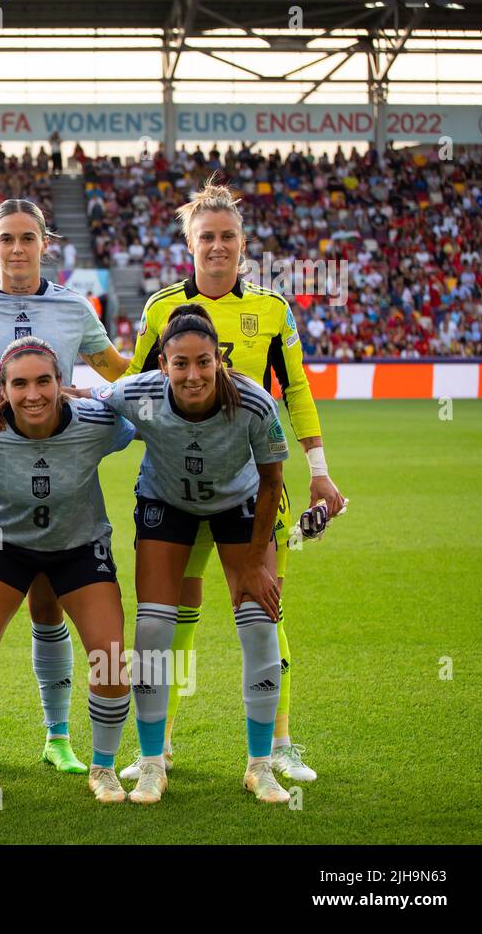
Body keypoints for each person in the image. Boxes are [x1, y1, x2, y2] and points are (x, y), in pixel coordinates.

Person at [119, 175, 346, 783]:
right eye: (206, 238)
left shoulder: (272, 309)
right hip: (175, 486)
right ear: (189, 245)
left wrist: (319, 473)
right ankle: (160, 739)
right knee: (174, 608)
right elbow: (136, 385)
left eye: (227, 237)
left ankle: (279, 743)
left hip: (252, 483)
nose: (217, 247)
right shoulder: (161, 308)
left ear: (243, 245)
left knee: (263, 603)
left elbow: (295, 387)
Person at [0, 198, 129, 777]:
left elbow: (115, 368)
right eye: (7, 239)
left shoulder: (74, 307)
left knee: (49, 609)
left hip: (57, 461)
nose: (18, 248)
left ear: (45, 243)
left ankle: (58, 735)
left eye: (29, 238)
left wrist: (171, 378)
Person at [87, 305, 291, 803]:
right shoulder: (140, 393)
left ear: (218, 359)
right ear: (163, 361)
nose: (193, 374)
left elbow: (272, 482)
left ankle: (260, 766)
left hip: (238, 504)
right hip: (165, 502)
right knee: (154, 628)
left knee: (261, 623)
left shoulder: (253, 404)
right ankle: (154, 762)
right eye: (181, 363)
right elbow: (90, 396)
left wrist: (253, 561)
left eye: (203, 362)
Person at [0, 337, 135, 804]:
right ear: (1, 390)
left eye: (44, 380)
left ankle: (104, 768)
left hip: (79, 546)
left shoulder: (96, 424)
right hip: (4, 546)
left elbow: (144, 418)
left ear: (62, 383)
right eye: (19, 384)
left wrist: (92, 396)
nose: (33, 393)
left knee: (111, 654)